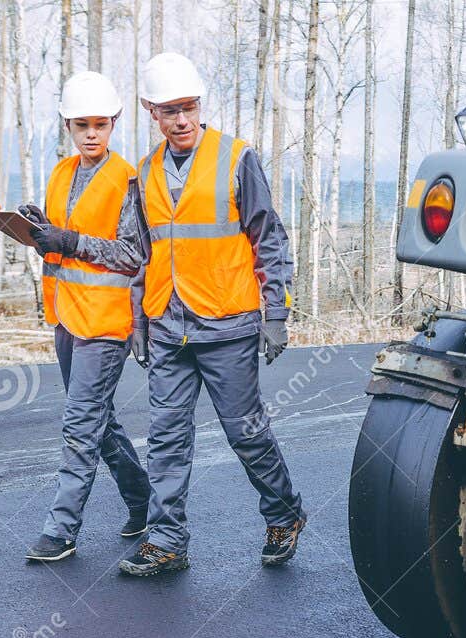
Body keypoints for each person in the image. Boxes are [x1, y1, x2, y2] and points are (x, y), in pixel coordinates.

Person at [114, 51, 306, 578]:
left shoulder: (237, 158)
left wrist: (277, 312)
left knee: (245, 432)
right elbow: (141, 252)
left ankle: (284, 515)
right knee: (167, 439)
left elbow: (269, 238)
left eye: (189, 107)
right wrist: (138, 319)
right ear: (151, 111)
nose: (181, 120)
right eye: (169, 110)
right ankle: (167, 540)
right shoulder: (147, 171)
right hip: (168, 325)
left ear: (200, 105)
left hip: (227, 323)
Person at [21, 71, 153, 564]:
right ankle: (143, 501)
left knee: (79, 424)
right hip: (66, 317)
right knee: (101, 422)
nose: (91, 133)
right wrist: (38, 227)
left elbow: (131, 253)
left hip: (106, 323)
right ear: (68, 126)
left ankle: (61, 531)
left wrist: (69, 241)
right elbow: (60, 240)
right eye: (82, 125)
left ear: (114, 123)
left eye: (100, 124)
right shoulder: (60, 173)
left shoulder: (127, 180)